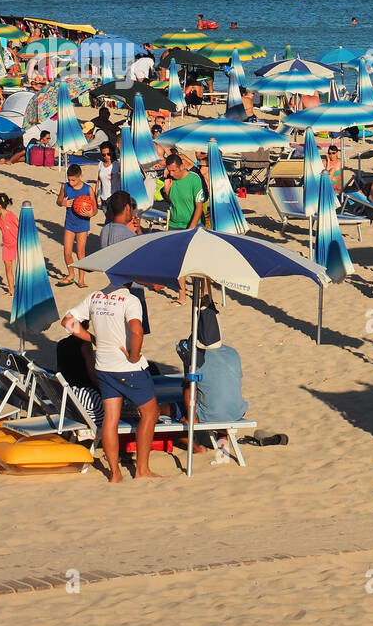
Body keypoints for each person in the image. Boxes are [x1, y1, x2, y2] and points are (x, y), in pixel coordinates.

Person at [60, 283, 162, 482]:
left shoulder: (94, 296)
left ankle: (115, 473)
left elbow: (67, 321)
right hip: (127, 367)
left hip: (104, 366)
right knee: (151, 412)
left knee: (111, 418)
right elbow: (137, 331)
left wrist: (91, 338)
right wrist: (134, 355)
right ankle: (142, 469)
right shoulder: (131, 300)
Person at [178, 299, 247, 454]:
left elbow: (189, 389)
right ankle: (223, 441)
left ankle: (191, 444)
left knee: (167, 409)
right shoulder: (233, 353)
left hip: (212, 414)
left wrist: (192, 418)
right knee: (218, 399)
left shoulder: (195, 356)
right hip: (236, 411)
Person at [163, 153, 204, 301]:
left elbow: (199, 207)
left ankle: (200, 292)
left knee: (193, 262)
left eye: (174, 170)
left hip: (192, 224)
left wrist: (191, 227)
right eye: (169, 170)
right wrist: (167, 191)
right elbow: (172, 201)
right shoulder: (169, 181)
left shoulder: (194, 179)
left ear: (182, 166)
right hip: (175, 223)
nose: (171, 173)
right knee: (178, 262)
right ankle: (182, 296)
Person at [55, 164, 97, 288]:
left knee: (80, 252)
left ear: (80, 176)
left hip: (83, 224)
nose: (71, 182)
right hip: (69, 223)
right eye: (69, 179)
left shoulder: (88, 189)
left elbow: (95, 209)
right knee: (67, 252)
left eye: (73, 179)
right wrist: (63, 203)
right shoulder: (65, 186)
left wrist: (91, 213)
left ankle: (81, 279)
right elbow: (58, 201)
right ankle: (71, 274)